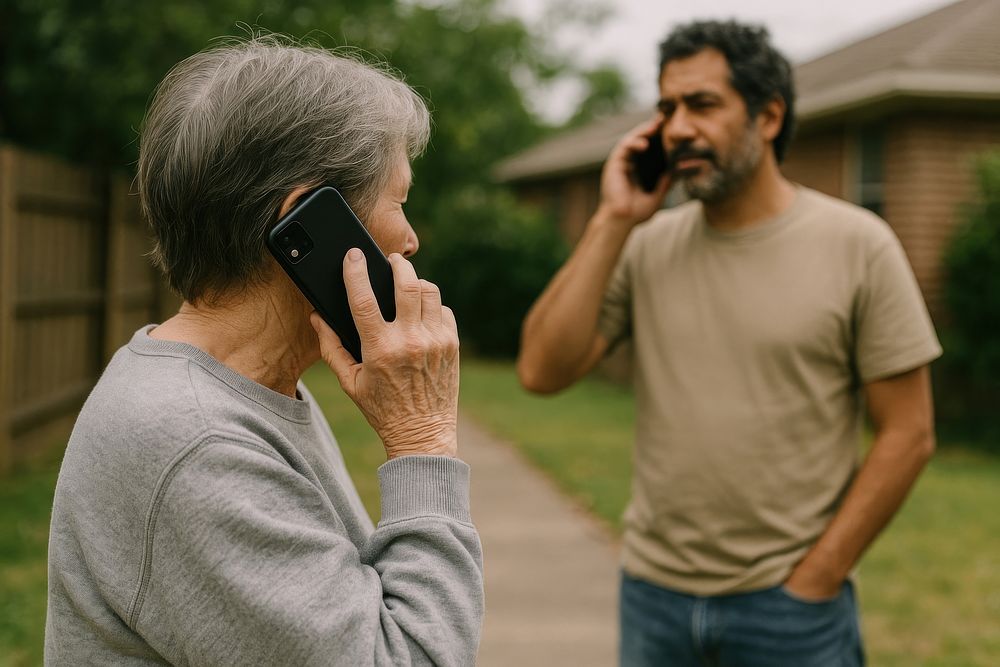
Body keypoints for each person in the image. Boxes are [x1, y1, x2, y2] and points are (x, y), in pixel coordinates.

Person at [45, 38, 482, 666]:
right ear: (308, 221)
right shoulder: (198, 443)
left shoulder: (245, 392)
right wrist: (423, 440)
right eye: (399, 200)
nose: (410, 239)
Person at [518, 20, 940, 667]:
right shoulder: (647, 245)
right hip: (652, 594)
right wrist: (613, 219)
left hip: (789, 608)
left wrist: (818, 575)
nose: (677, 127)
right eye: (666, 108)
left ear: (768, 116)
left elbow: (909, 432)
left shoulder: (859, 244)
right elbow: (542, 369)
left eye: (703, 104)